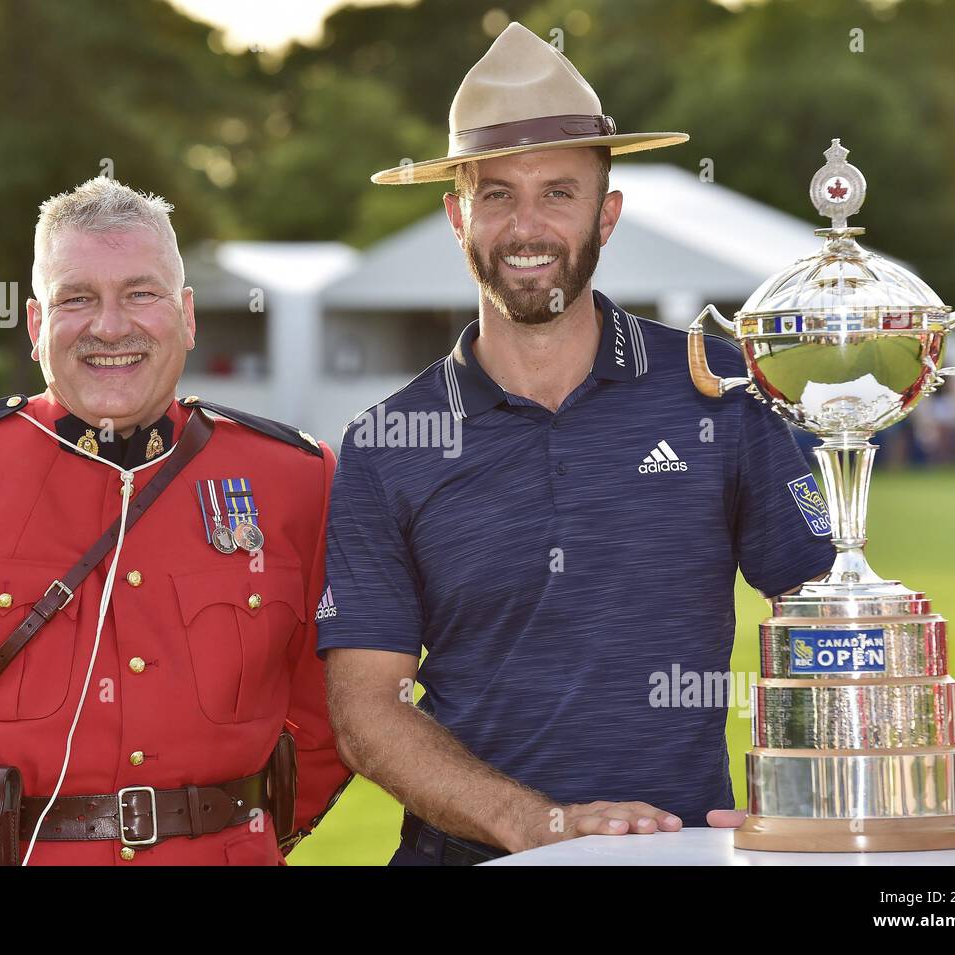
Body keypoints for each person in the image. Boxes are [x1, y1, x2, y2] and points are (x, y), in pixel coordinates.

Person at [317, 22, 835, 865]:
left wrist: (798, 797)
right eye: (496, 195)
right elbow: (365, 709)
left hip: (685, 853)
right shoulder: (387, 443)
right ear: (457, 216)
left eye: (559, 192)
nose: (528, 226)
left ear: (608, 211)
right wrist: (536, 827)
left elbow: (817, 615)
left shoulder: (722, 387)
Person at [0, 176, 350, 864]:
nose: (110, 325)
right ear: (37, 327)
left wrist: (230, 837)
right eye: (78, 298)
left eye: (141, 293)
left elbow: (331, 712)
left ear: (187, 315)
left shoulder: (297, 481)